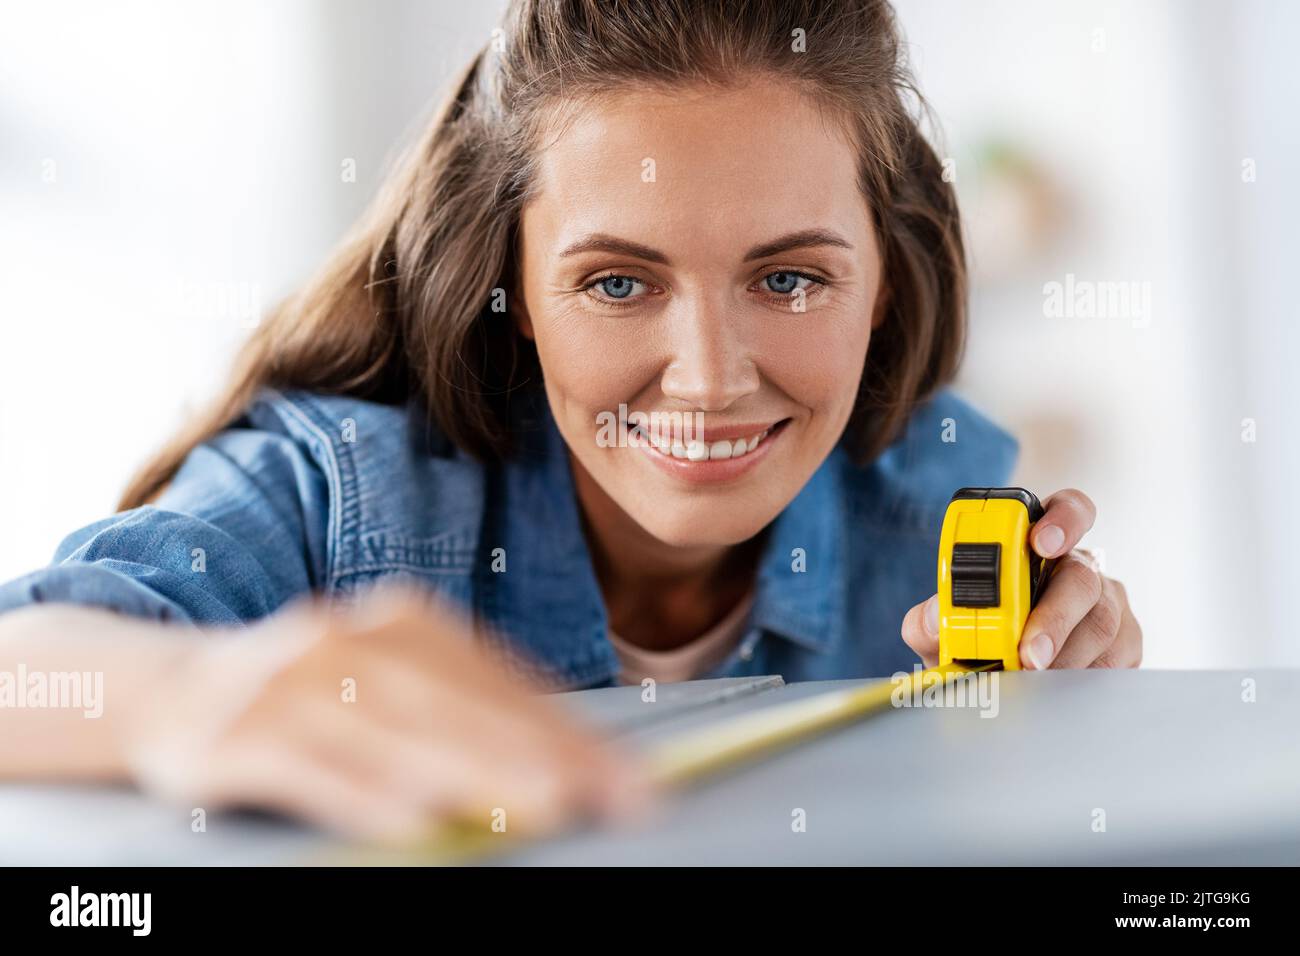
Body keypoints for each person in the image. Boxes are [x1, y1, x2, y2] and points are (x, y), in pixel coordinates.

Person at [0, 0, 1141, 844]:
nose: (706, 378)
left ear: (884, 284)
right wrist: (187, 694)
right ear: (509, 286)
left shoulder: (939, 513)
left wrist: (1069, 729)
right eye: (616, 283)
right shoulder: (334, 494)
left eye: (789, 279)